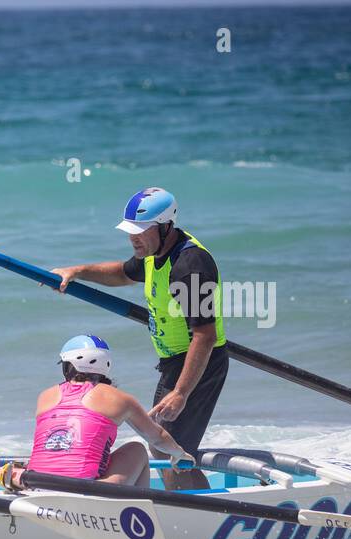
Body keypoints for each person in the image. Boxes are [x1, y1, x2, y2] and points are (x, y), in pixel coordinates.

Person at [50, 187, 227, 489]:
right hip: (173, 364)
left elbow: (205, 335)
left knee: (172, 449)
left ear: (165, 227)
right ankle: (185, 504)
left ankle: (201, 514)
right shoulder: (153, 253)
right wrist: (76, 271)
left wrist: (181, 393)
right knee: (158, 444)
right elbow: (121, 273)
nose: (134, 238)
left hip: (198, 365)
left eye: (141, 231)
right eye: (130, 231)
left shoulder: (189, 266)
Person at [3, 335, 194, 490]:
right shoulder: (119, 398)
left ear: (67, 366)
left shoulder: (45, 396)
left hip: (35, 483)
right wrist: (179, 454)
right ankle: (139, 516)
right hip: (89, 490)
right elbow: (158, 437)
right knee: (137, 449)